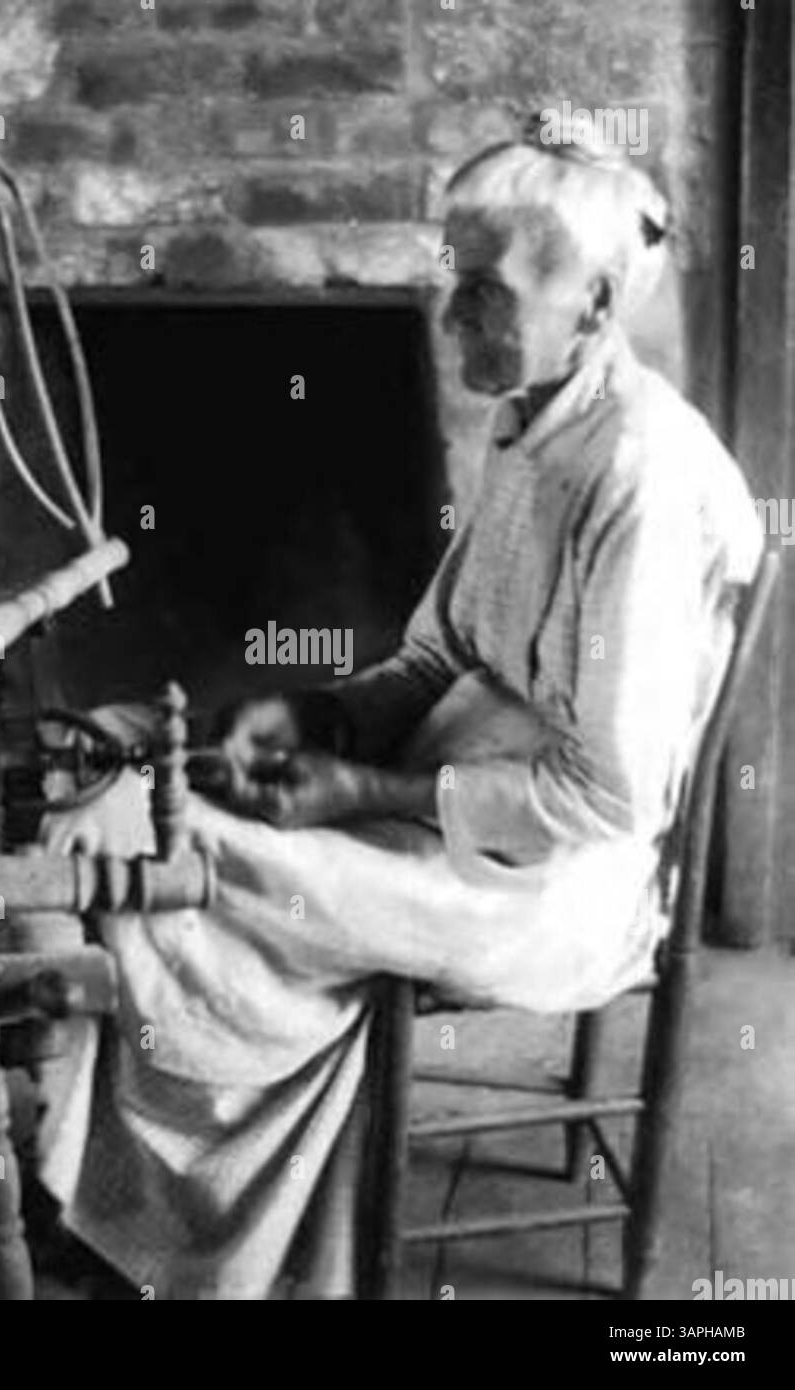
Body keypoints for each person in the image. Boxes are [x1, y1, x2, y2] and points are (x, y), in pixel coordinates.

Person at [38, 119, 762, 1299]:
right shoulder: (535, 419)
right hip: (458, 801)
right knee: (138, 754)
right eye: (452, 285)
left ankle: (174, 1232)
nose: (450, 322)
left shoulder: (641, 475)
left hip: (558, 882)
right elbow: (435, 654)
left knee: (180, 844)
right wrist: (321, 718)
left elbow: (609, 795)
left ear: (590, 302)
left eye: (482, 296)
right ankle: (149, 1197)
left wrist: (368, 792)